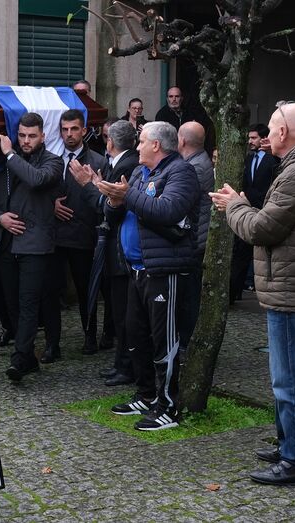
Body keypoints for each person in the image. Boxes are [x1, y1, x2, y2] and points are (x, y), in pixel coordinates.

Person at [210, 102, 295, 486]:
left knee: (290, 381)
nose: (267, 136)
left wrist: (234, 206)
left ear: (283, 134)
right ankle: (291, 447)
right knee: (290, 378)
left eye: (270, 128)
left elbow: (263, 229)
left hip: (291, 291)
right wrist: (245, 206)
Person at [98, 121, 199, 431]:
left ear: (156, 145)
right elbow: (121, 214)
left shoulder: (180, 172)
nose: (137, 146)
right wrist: (114, 200)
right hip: (137, 269)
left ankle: (168, 407)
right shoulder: (143, 173)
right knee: (135, 335)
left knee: (163, 342)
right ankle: (145, 394)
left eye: (141, 141)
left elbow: (167, 212)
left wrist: (127, 196)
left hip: (163, 270)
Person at [0, 112, 62, 382]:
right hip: (5, 244)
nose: (26, 141)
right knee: (11, 303)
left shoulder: (53, 161)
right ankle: (27, 358)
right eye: (22, 136)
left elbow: (37, 179)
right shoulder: (5, 165)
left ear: (43, 136)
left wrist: (11, 155)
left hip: (35, 245)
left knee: (28, 304)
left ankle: (19, 359)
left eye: (32, 136)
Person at [70, 119, 139, 386]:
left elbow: (108, 206)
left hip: (120, 249)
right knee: (117, 309)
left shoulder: (128, 164)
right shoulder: (117, 163)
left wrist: (88, 185)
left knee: (122, 313)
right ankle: (121, 363)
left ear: (110, 141)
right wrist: (98, 183)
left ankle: (127, 366)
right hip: (113, 248)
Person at [42, 109, 106, 363]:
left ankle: (90, 335)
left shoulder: (98, 162)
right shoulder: (53, 159)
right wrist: (51, 205)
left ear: (83, 130)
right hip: (56, 237)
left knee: (85, 290)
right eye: (65, 129)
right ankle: (51, 344)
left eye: (74, 129)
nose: (69, 134)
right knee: (50, 291)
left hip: (84, 236)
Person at [176, 122, 213, 359]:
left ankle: (187, 345)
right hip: (196, 239)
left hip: (194, 241)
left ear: (181, 142)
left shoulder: (195, 167)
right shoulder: (197, 161)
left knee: (189, 297)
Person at [230, 123, 279, 303]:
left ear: (263, 138)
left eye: (253, 138)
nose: (250, 141)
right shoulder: (249, 159)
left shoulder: (272, 160)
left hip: (265, 210)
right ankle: (234, 292)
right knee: (240, 254)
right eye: (249, 138)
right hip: (248, 209)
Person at [154, 86, 216, 154]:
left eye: (177, 96)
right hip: (170, 152)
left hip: (189, 151)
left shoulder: (189, 112)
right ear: (167, 99)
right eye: (171, 96)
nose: (174, 99)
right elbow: (159, 137)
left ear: (182, 98)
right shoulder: (162, 114)